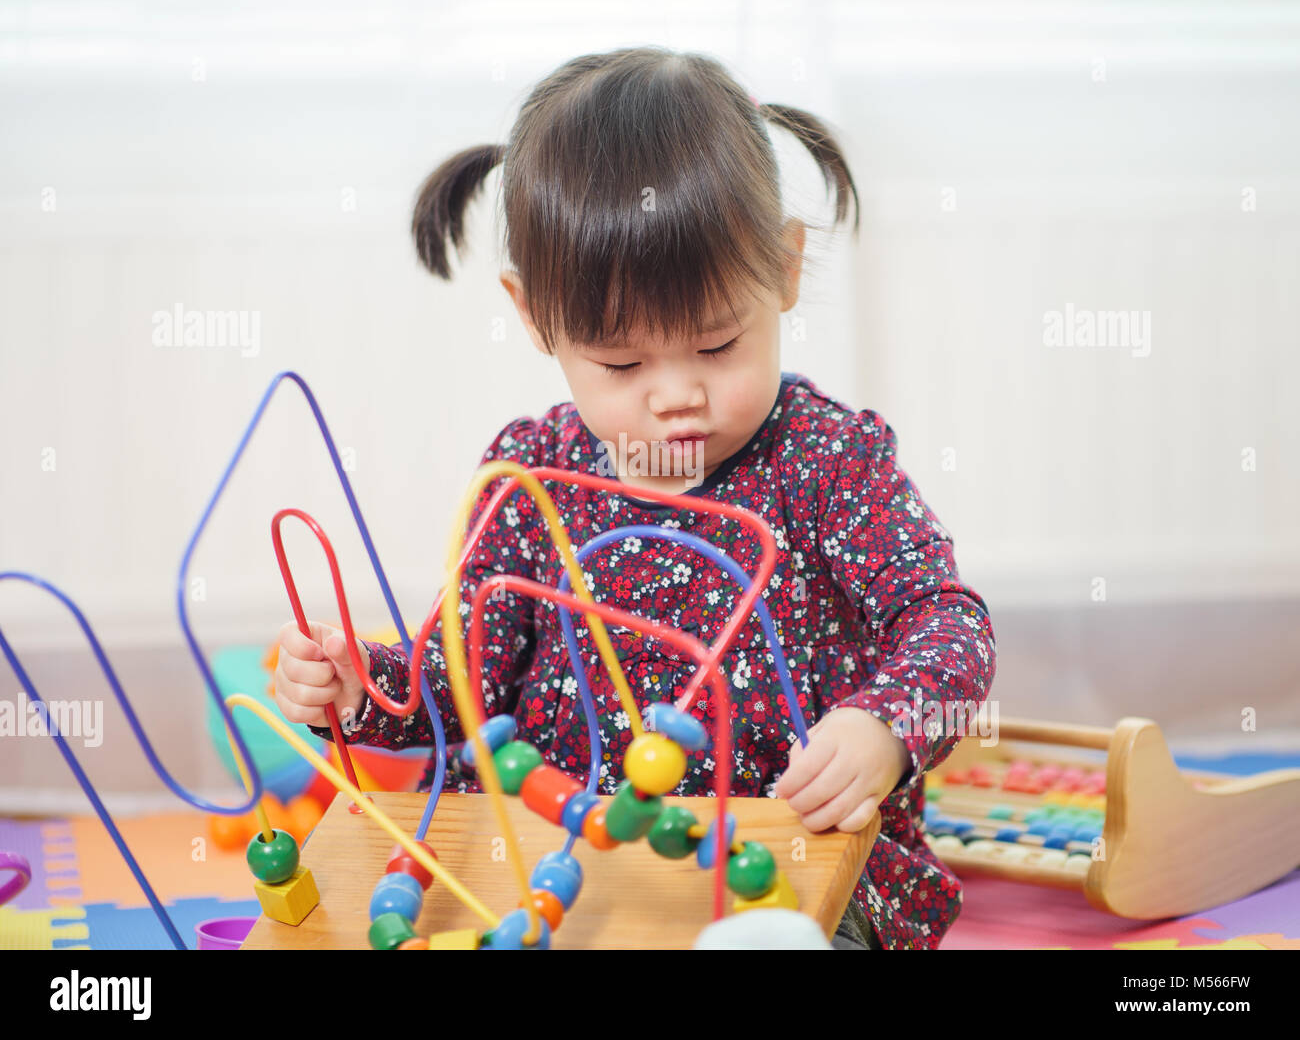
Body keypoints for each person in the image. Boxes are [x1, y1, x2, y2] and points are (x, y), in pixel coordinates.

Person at [272, 47, 995, 950]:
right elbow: (459, 683)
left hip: (788, 864)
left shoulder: (830, 462)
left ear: (786, 269)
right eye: (621, 364)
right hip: (558, 866)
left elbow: (949, 623)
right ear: (536, 318)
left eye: (718, 344)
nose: (674, 394)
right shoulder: (528, 476)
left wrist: (887, 726)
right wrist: (361, 686)